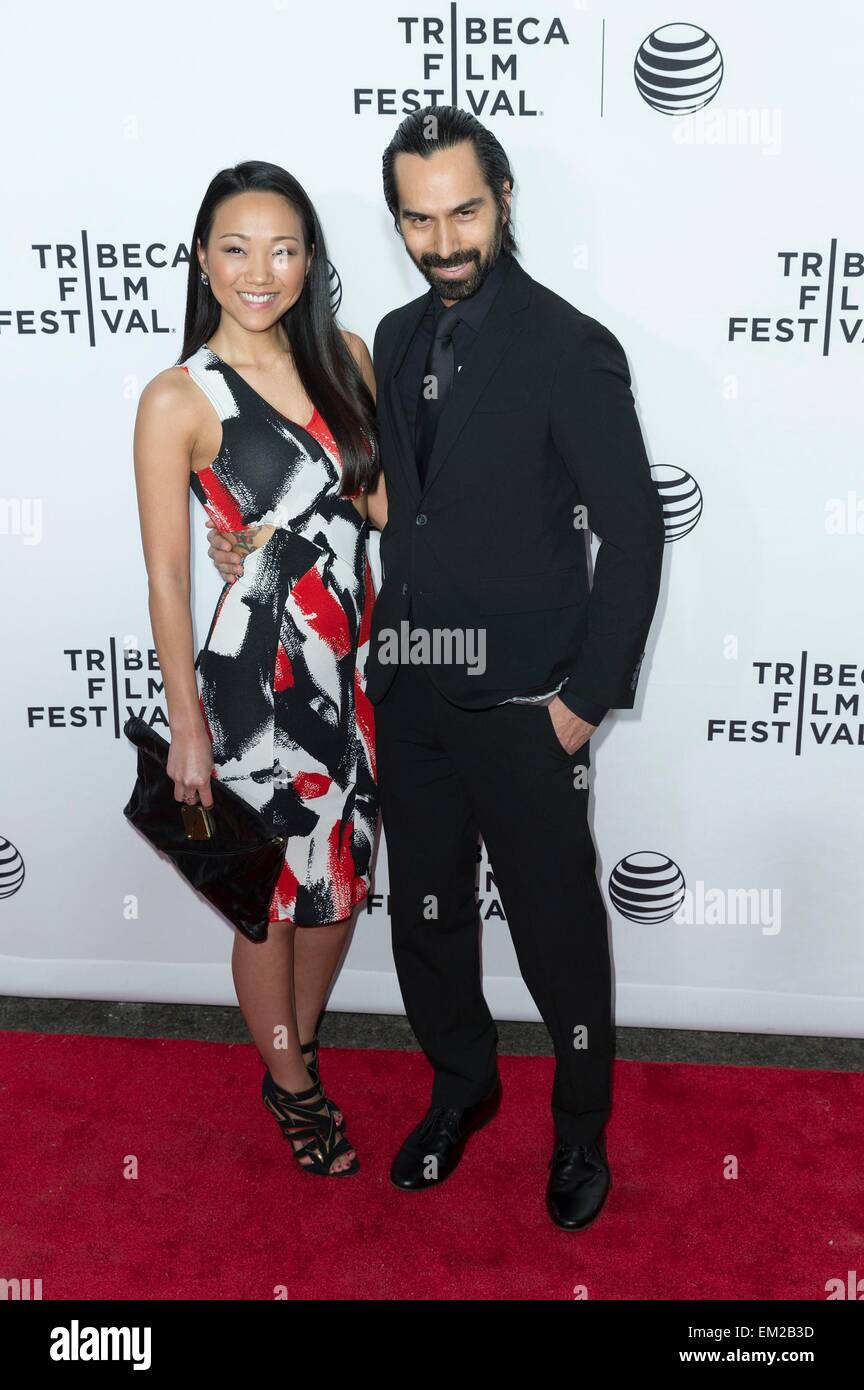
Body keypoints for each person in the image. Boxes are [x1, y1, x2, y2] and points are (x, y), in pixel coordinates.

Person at [207, 110, 665, 1229]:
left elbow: (637, 530)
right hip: (403, 690)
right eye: (419, 217)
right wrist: (253, 543)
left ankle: (579, 1131)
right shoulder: (393, 337)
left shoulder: (571, 344)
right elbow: (371, 503)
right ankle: (462, 1089)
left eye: (464, 210)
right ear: (399, 221)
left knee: (559, 933)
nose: (444, 237)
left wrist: (581, 704)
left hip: (525, 707)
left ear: (503, 196)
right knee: (427, 917)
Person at [132, 160, 387, 1177]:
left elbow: (379, 514)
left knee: (339, 891)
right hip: (250, 686)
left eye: (283, 248)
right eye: (235, 247)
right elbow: (164, 578)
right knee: (270, 897)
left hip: (347, 668)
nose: (259, 270)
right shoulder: (177, 397)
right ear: (202, 257)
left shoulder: (349, 358)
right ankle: (293, 1086)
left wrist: (293, 533)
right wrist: (187, 721)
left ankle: (298, 1042)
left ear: (310, 257)